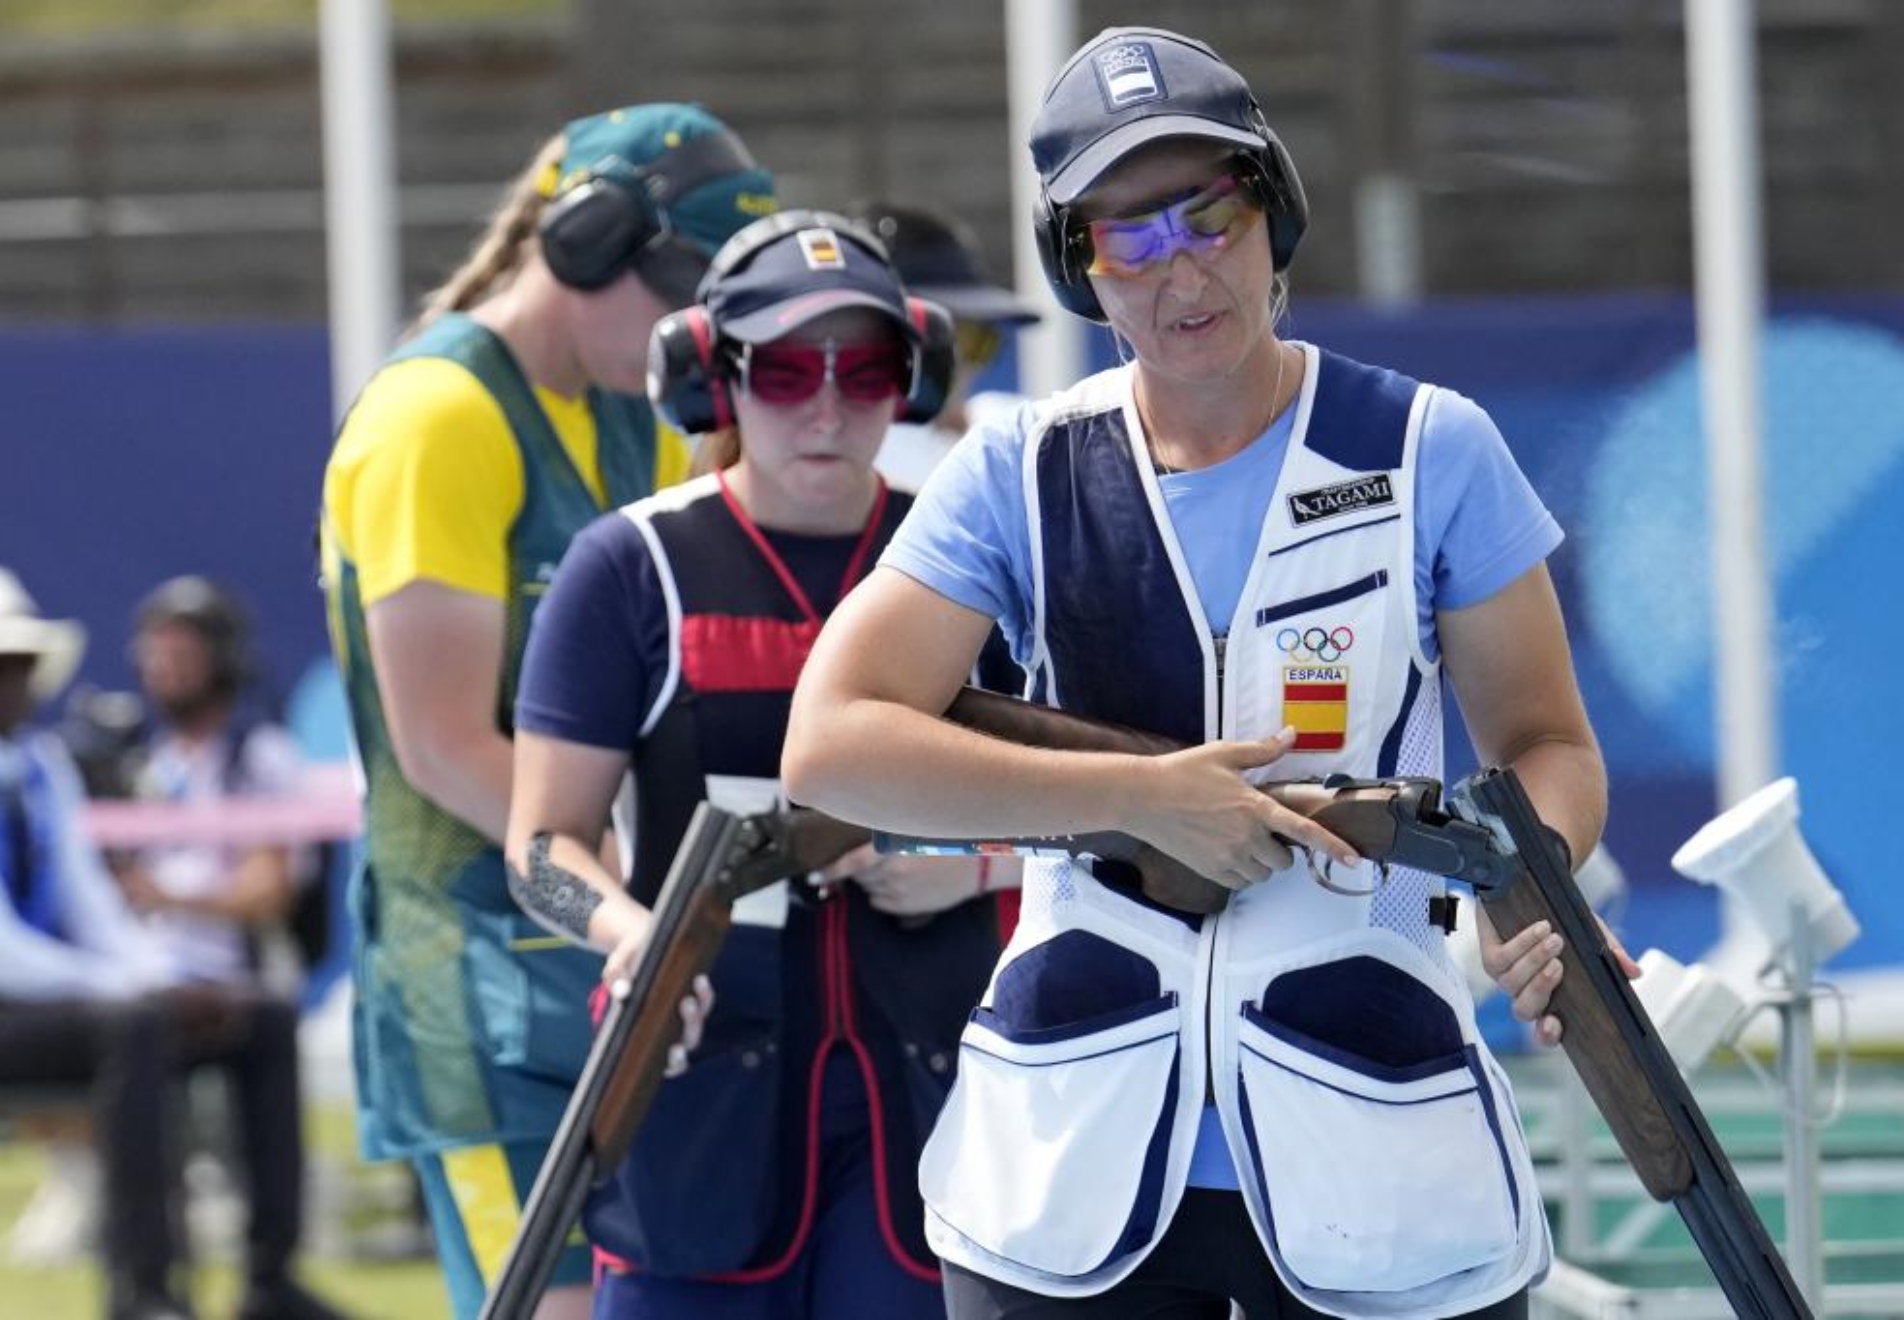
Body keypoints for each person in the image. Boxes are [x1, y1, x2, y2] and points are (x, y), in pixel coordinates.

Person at [784, 28, 1622, 1320]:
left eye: (1209, 213)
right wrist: (1137, 801)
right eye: (1128, 237)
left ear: (1271, 212)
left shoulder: (1430, 446)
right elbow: (831, 746)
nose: (1180, 268)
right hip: (1067, 1158)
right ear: (1082, 271)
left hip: (1381, 1137)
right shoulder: (1019, 468)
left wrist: (1531, 883)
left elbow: (1547, 746)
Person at [505, 209, 1007, 1320]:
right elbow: (541, 847)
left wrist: (980, 867)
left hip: (935, 1106)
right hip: (692, 1107)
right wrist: (637, 939)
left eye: (865, 367)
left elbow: (1109, 813)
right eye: (784, 369)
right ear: (711, 376)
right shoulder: (629, 568)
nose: (827, 406)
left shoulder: (975, 560)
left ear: (911, 377)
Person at [318, 103, 775, 1320]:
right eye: (679, 288)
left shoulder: (636, 404)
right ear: (582, 243)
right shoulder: (438, 419)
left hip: (606, 956)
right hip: (473, 985)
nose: (697, 331)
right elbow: (442, 748)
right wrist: (624, 901)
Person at [0, 568, 343, 1320]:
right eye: (5, 666)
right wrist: (136, 990)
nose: (18, 683)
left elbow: (97, 912)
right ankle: (146, 1293)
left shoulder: (40, 766)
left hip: (65, 1002)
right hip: (29, 1008)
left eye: (22, 664)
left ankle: (268, 1281)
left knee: (262, 1017)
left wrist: (157, 976)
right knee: (137, 1026)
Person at [115, 575, 320, 991]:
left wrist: (166, 898)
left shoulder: (262, 755)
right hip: (142, 976)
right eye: (156, 654)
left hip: (238, 983)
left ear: (222, 659)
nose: (165, 667)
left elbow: (270, 893)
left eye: (182, 653)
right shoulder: (140, 764)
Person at [849, 201, 1040, 493]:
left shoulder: (1017, 425)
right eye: (937, 336)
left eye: (978, 340)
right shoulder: (854, 462)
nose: (962, 365)